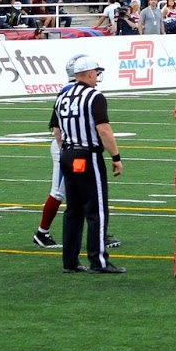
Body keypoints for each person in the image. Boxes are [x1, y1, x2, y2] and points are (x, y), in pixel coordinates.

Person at [50, 56, 124, 273]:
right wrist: (116, 157)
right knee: (96, 210)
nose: (97, 77)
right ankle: (98, 261)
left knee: (73, 210)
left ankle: (70, 262)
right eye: (96, 73)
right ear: (89, 74)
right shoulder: (94, 96)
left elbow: (56, 131)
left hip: (67, 154)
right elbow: (103, 130)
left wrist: (69, 150)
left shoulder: (62, 96)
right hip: (87, 155)